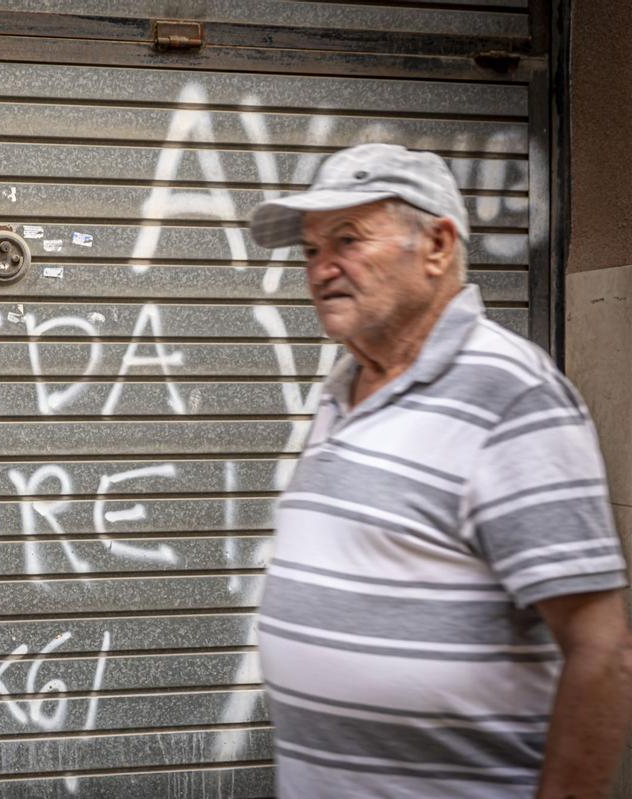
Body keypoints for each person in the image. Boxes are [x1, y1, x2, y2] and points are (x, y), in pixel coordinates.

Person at [247, 143, 632, 798]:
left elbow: (602, 652)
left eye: (347, 239)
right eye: (311, 251)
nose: (321, 269)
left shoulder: (510, 394)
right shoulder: (348, 386)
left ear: (436, 245)